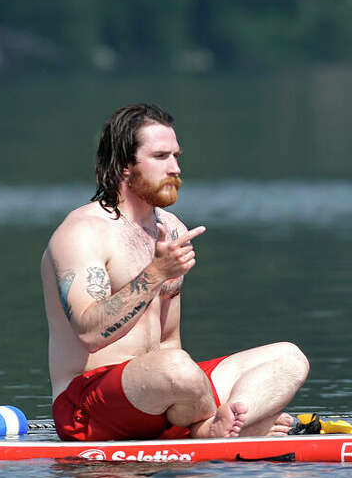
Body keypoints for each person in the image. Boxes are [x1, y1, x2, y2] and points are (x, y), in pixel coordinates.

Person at [43, 103, 309, 441]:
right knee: (178, 368)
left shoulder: (170, 228)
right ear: (124, 165)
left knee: (289, 358)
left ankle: (221, 425)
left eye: (176, 156)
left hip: (165, 395)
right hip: (87, 407)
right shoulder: (82, 232)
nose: (175, 168)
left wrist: (188, 396)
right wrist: (156, 273)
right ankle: (224, 426)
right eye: (161, 157)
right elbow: (90, 333)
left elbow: (168, 339)